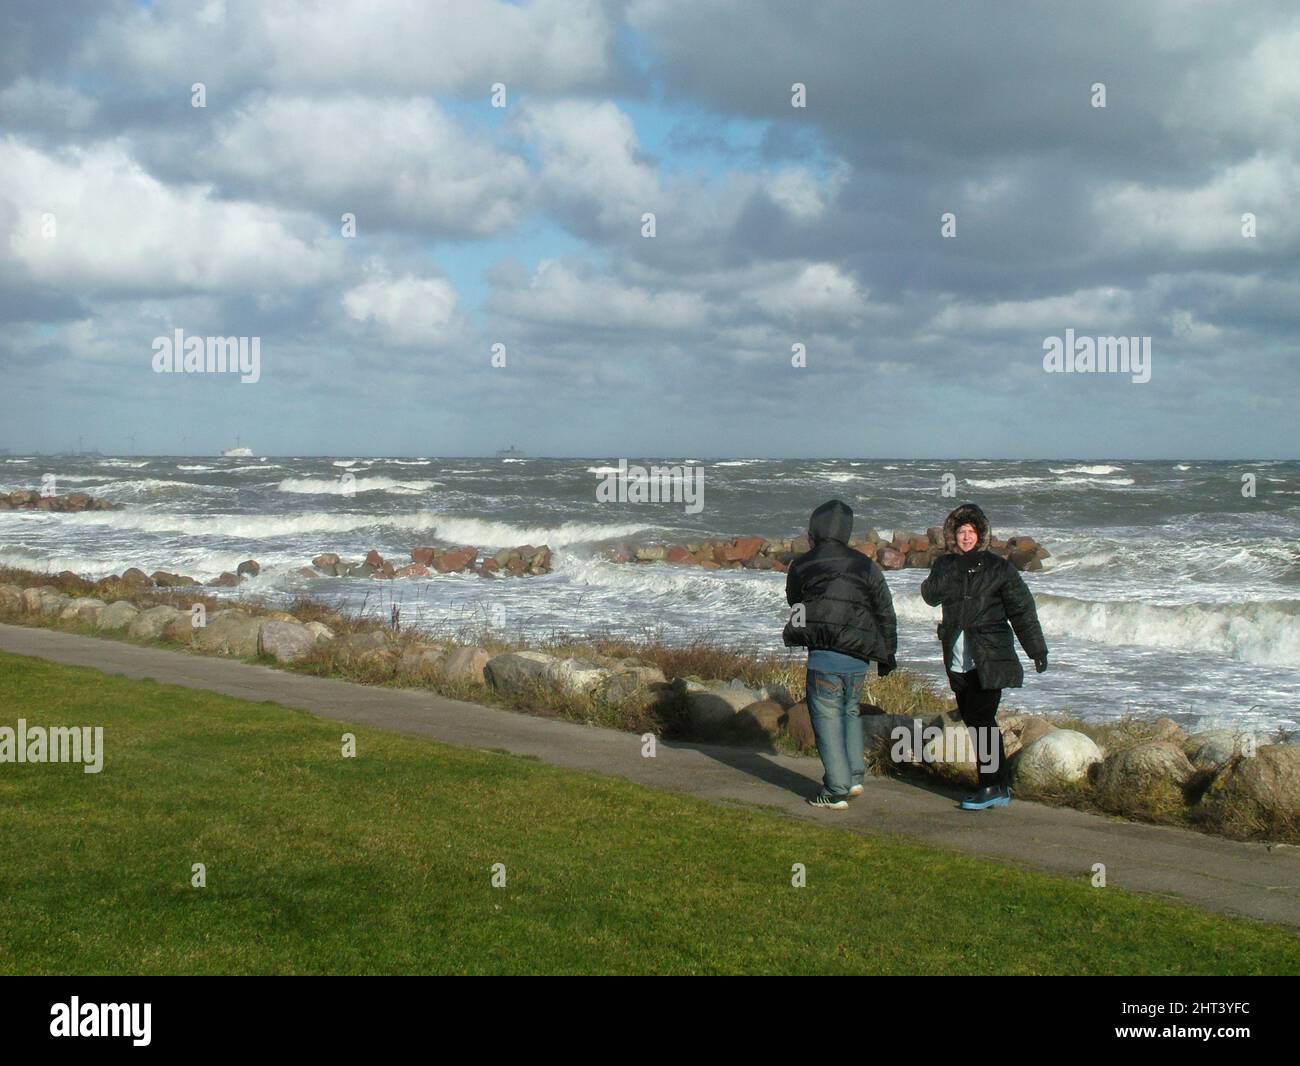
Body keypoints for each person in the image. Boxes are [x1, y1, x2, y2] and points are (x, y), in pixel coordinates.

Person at [921, 502, 1047, 811]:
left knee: (981, 719)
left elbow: (1022, 610)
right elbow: (930, 595)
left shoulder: (999, 568)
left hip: (990, 655)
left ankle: (990, 785)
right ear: (953, 536)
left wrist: (1037, 649)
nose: (966, 537)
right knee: (975, 718)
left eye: (971, 532)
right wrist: (948, 566)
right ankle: (999, 786)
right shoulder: (946, 565)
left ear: (981, 534)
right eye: (961, 532)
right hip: (957, 655)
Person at [783, 499, 897, 810]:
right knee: (849, 712)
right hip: (858, 658)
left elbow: (795, 603)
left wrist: (796, 633)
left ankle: (835, 789)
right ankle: (855, 777)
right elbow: (885, 610)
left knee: (827, 718)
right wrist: (888, 655)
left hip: (824, 655)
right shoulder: (865, 565)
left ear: (815, 530)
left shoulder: (803, 564)